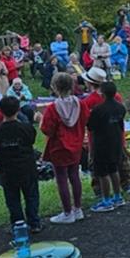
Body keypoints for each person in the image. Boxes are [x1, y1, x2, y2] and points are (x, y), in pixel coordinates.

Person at [40, 72, 88, 224]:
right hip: (76, 145)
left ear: (54, 88)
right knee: (75, 176)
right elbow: (85, 119)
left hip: (59, 147)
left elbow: (47, 129)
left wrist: (39, 119)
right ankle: (78, 209)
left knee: (62, 179)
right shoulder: (81, 104)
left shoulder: (53, 108)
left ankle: (67, 212)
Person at [0, 96, 42, 234]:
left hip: (7, 168)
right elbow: (31, 140)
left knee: (12, 198)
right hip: (27, 166)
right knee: (31, 195)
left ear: (1, 111)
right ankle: (34, 222)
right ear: (18, 110)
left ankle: (18, 224)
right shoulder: (26, 128)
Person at [82, 68, 130, 196]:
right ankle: (126, 184)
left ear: (90, 83)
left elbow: (87, 121)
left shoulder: (89, 101)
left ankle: (99, 189)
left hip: (97, 139)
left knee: (97, 164)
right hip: (117, 135)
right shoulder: (116, 96)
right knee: (121, 161)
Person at [86, 82, 126, 213]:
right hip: (116, 142)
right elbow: (121, 124)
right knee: (114, 169)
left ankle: (106, 200)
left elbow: (90, 126)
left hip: (102, 143)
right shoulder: (120, 107)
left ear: (102, 93)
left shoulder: (98, 109)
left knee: (103, 173)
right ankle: (118, 196)